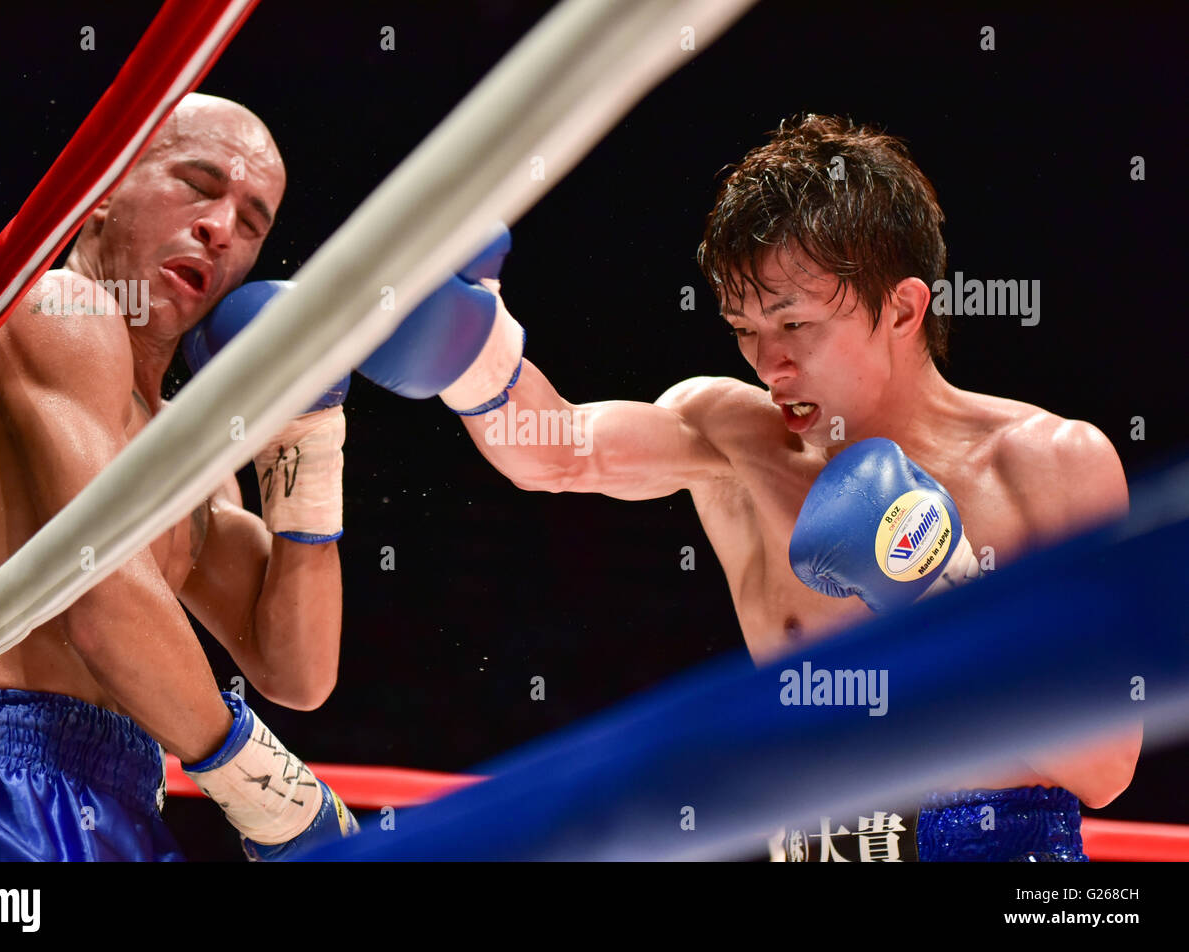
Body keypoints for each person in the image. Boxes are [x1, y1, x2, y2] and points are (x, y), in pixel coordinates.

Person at [345, 115, 1142, 861]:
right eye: (744, 331)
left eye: (794, 326)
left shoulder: (1048, 462)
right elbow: (555, 454)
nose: (769, 364)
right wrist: (473, 345)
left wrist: (940, 586)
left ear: (902, 308)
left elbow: (1105, 767)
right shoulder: (736, 437)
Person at [0, 93, 356, 862]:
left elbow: (297, 668)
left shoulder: (191, 463)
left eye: (252, 222)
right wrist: (264, 790)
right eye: (199, 186)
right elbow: (103, 604)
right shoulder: (59, 311)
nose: (218, 229)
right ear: (103, 189)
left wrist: (308, 440)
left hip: (122, 798)